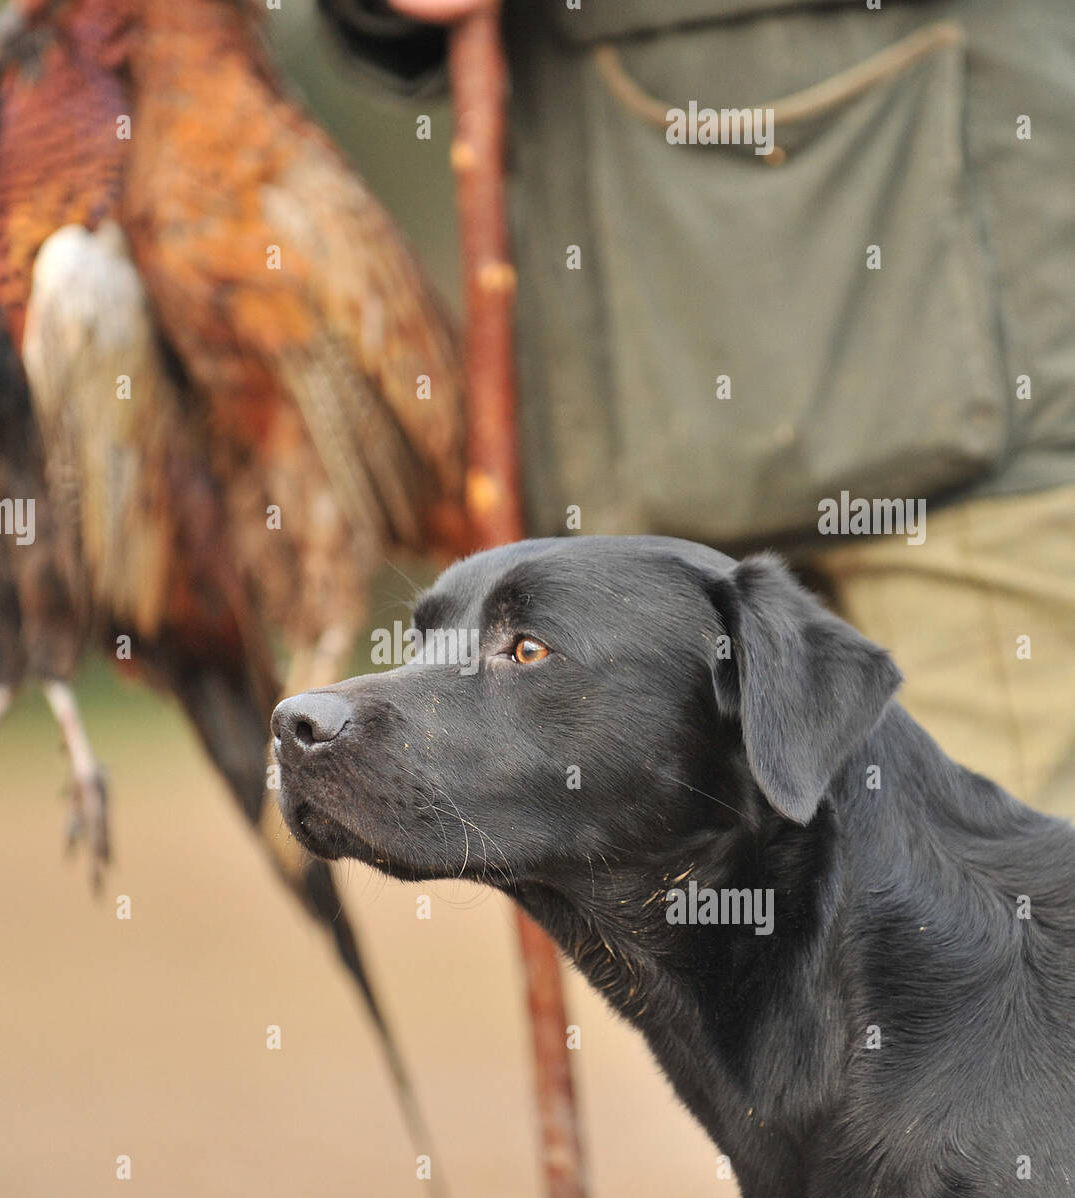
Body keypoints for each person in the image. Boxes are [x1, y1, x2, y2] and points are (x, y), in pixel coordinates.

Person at [319, 0, 1075, 818]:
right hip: (619, 422)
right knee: (657, 926)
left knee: (996, 921)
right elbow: (396, 44)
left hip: (981, 394)